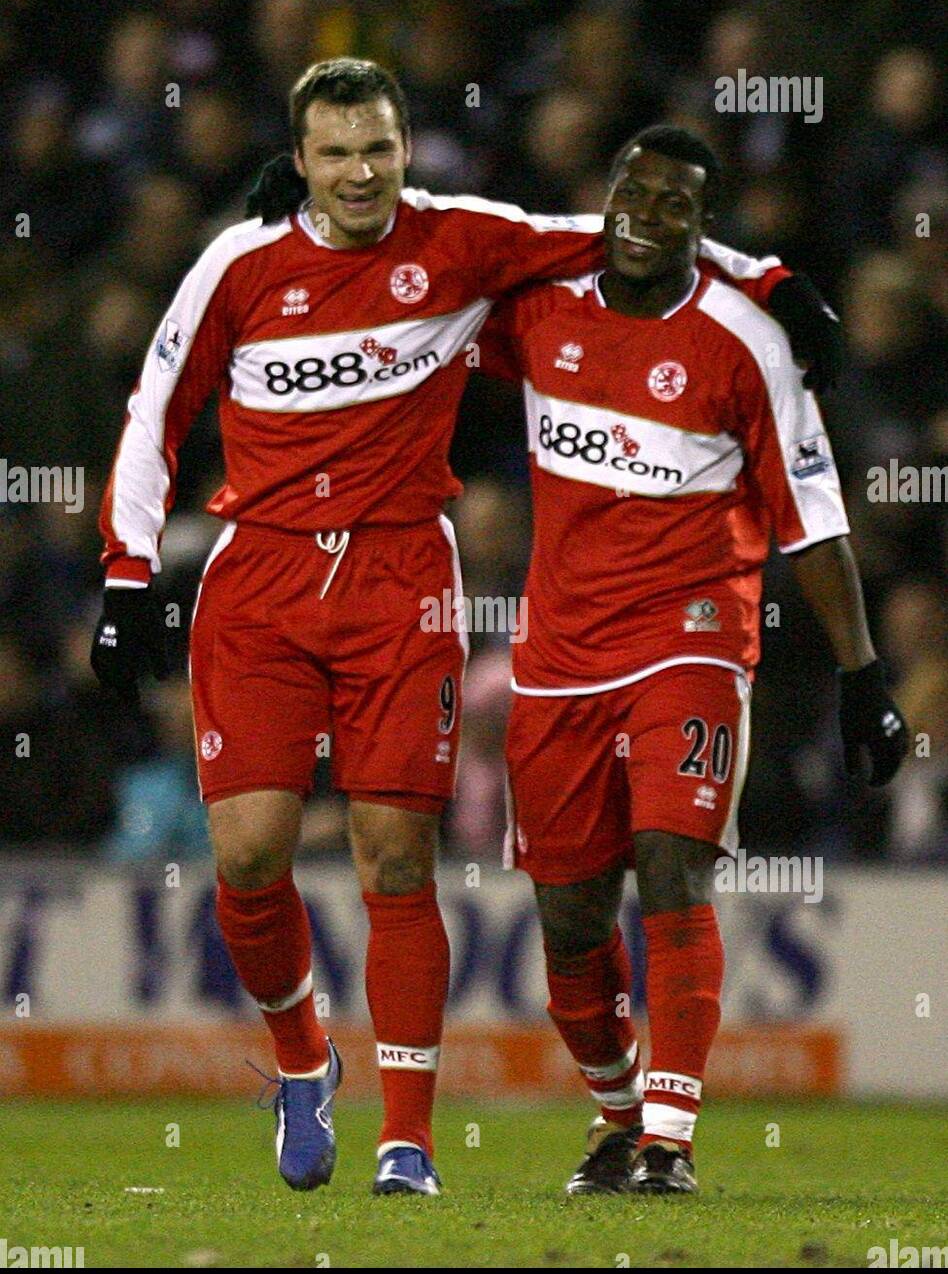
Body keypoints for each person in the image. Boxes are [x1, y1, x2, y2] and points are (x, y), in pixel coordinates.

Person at [89, 58, 840, 1198]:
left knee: (398, 856)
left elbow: (630, 230)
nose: (359, 173)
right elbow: (156, 412)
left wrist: (770, 279)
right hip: (264, 582)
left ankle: (410, 1143)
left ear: (407, 151)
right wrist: (126, 572)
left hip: (402, 580)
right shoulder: (236, 263)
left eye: (378, 150)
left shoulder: (467, 239)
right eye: (334, 153)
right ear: (300, 161)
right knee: (246, 856)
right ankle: (302, 1059)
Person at [477, 126, 908, 1196]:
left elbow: (812, 520)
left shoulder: (746, 344)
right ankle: (617, 1117)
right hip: (558, 659)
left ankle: (669, 1138)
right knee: (570, 919)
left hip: (692, 639)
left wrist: (863, 675)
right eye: (634, 191)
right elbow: (438, 269)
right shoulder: (541, 309)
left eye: (675, 205)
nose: (646, 214)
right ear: (606, 196)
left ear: (701, 229)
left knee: (672, 865)